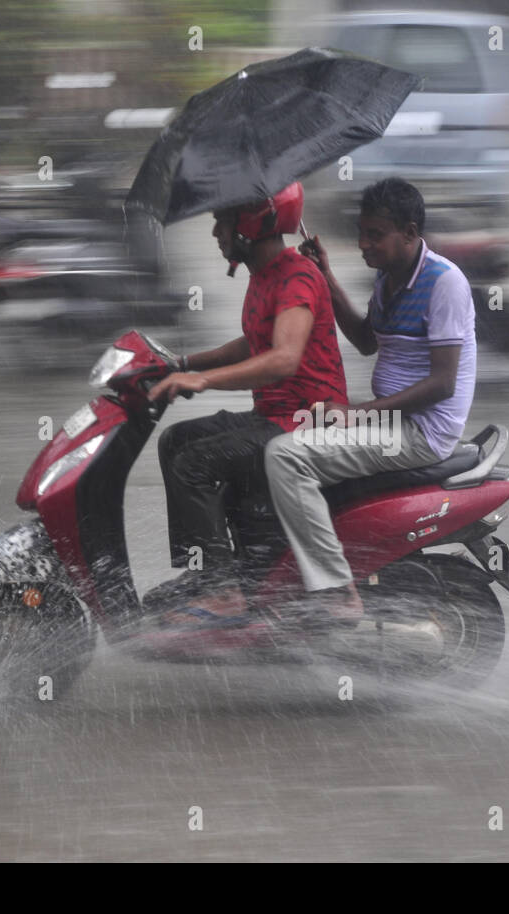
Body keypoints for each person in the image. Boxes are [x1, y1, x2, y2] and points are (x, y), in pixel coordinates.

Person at [264, 177, 477, 623]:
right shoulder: (388, 279)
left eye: (375, 235)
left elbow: (442, 384)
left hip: (422, 432)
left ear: (411, 232)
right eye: (361, 232)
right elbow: (365, 340)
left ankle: (338, 591)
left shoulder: (444, 283)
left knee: (285, 457)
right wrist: (326, 276)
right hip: (392, 419)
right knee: (287, 425)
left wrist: (355, 414)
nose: (363, 244)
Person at [147, 181, 347, 626]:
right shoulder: (264, 275)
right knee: (176, 440)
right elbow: (253, 343)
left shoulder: (297, 276)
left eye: (223, 221)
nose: (217, 232)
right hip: (274, 417)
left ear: (253, 222)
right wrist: (179, 363)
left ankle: (224, 593)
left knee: (194, 463)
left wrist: (200, 380)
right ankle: (208, 571)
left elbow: (282, 359)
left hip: (305, 422)